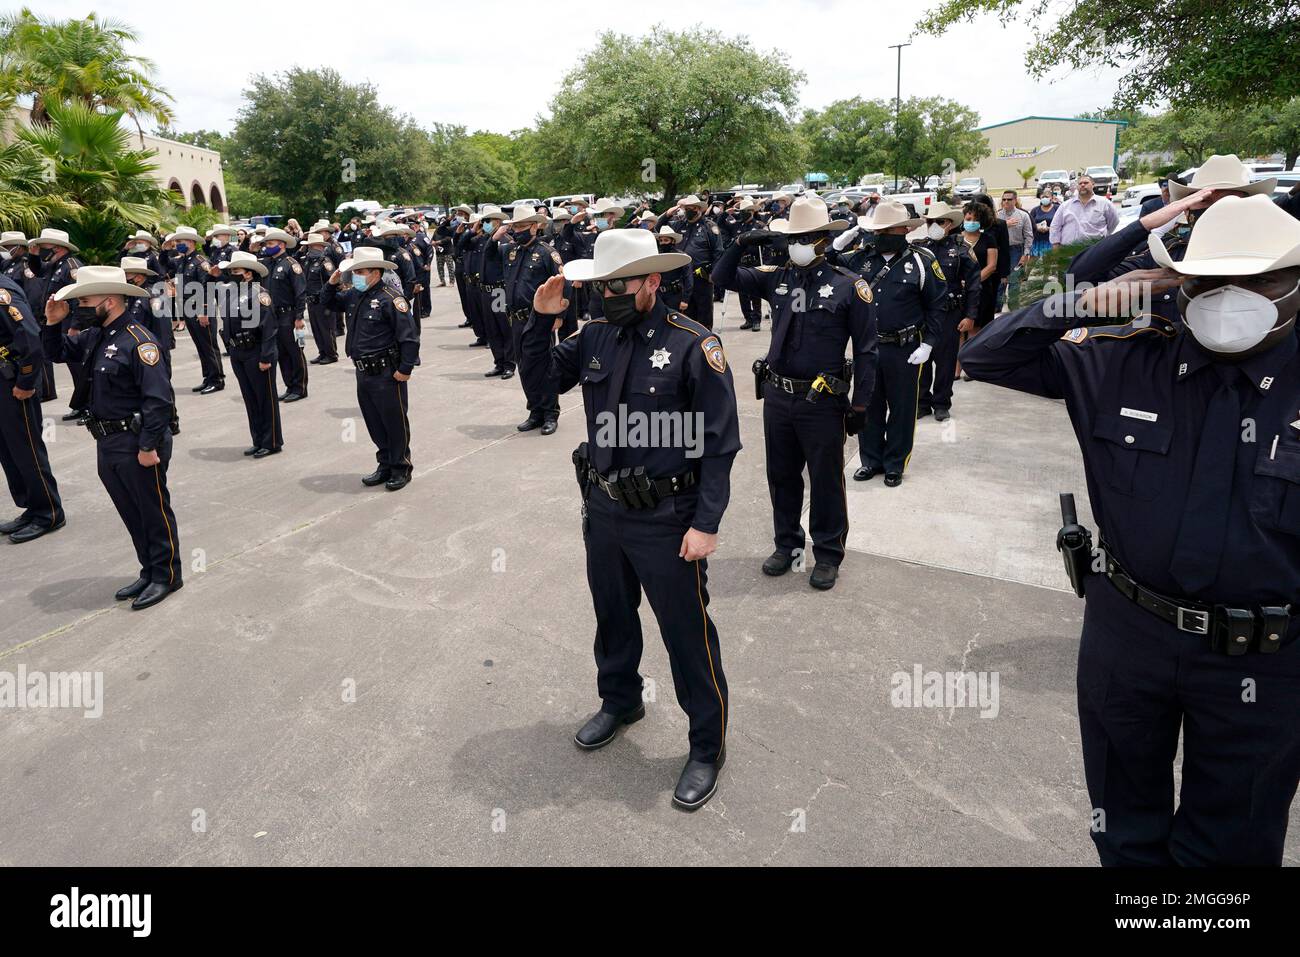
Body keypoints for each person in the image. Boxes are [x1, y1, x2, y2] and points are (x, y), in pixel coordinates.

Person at [960, 194, 1300, 866]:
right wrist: (1084, 301)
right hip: (1128, 636)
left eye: (1254, 280)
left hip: (1266, 656)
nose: (1228, 297)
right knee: (1122, 830)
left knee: (1232, 846)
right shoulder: (1121, 353)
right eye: (1208, 279)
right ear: (1180, 281)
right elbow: (986, 355)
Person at [537, 228, 740, 810]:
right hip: (603, 509)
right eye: (600, 286)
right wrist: (539, 322)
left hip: (667, 517)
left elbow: (719, 444)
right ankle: (620, 700)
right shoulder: (595, 335)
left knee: (686, 634)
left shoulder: (694, 345)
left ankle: (706, 746)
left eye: (618, 283)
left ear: (652, 281)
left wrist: (706, 523)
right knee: (613, 617)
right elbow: (542, 382)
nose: (607, 295)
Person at [713, 194, 877, 589]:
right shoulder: (778, 278)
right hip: (778, 396)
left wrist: (860, 404)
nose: (797, 245)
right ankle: (787, 545)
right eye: (793, 237)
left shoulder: (849, 286)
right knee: (781, 476)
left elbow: (868, 350)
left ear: (823, 240)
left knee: (824, 479)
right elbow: (720, 279)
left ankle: (828, 553)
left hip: (821, 400)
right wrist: (739, 244)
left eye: (805, 237)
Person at [43, 266, 181, 610]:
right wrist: (52, 322)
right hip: (107, 440)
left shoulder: (139, 341)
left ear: (109, 300)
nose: (80, 307)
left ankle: (167, 574)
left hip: (137, 441)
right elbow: (56, 353)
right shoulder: (97, 336)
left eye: (85, 301)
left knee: (152, 509)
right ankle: (149, 570)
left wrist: (148, 446)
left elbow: (159, 400)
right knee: (130, 511)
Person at [832, 200, 945, 486]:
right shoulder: (862, 258)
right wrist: (843, 240)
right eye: (876, 229)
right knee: (869, 404)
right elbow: (830, 263)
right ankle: (870, 460)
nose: (879, 234)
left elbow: (937, 305)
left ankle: (895, 462)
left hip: (905, 347)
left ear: (904, 230)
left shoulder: (921, 259)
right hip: (868, 347)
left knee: (902, 407)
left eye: (886, 229)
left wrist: (928, 343)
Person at [320, 247, 419, 491]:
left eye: (361, 272)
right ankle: (384, 463)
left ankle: (400, 467)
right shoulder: (355, 295)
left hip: (387, 371)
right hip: (363, 371)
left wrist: (405, 369)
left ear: (376, 272)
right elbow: (328, 302)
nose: (356, 276)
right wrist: (332, 283)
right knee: (374, 422)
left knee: (394, 422)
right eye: (355, 272)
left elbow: (409, 337)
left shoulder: (391, 298)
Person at [0, 275, 64, 543]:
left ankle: (48, 511)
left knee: (26, 448)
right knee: (8, 449)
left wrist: (26, 381)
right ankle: (31, 506)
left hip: (13, 383)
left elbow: (29, 337)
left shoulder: (3, 291)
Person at [499, 204, 563, 434]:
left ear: (535, 226)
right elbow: (488, 256)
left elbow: (563, 283)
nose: (518, 230)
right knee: (525, 367)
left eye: (523, 226)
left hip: (541, 319)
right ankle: (535, 410)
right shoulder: (511, 251)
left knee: (544, 366)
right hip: (517, 319)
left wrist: (559, 316)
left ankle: (550, 413)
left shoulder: (547, 252)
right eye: (515, 226)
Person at [915, 203, 981, 421]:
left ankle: (942, 402)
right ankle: (922, 403)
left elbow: (973, 284)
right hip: (922, 314)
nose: (933, 226)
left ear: (949, 224)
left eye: (939, 222)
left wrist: (970, 316)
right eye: (929, 222)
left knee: (945, 362)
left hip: (949, 313)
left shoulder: (961, 248)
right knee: (921, 361)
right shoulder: (918, 248)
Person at [218, 251, 282, 459]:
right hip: (238, 352)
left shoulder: (259, 294)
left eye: (236, 271)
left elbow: (269, 328)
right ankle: (258, 439)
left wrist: (266, 357)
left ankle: (271, 441)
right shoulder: (231, 292)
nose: (232, 274)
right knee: (250, 399)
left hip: (256, 352)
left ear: (248, 274)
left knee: (265, 399)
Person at [29, 229, 84, 415]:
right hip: (59, 321)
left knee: (79, 366)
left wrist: (76, 327)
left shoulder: (71, 265)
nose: (42, 250)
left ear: (58, 248)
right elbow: (37, 270)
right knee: (73, 365)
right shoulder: (54, 265)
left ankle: (84, 405)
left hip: (71, 322)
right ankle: (82, 404)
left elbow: (80, 299)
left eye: (44, 247)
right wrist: (33, 255)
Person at [165, 226, 224, 396]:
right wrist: (164, 251)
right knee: (201, 346)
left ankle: (217, 379)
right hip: (189, 309)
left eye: (180, 241)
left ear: (191, 242)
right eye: (176, 242)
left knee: (209, 346)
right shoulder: (182, 260)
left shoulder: (200, 261)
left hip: (201, 309)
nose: (177, 245)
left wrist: (204, 310)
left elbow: (208, 287)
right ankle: (208, 377)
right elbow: (165, 265)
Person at [656, 195, 721, 329]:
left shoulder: (709, 226)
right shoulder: (679, 225)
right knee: (686, 316)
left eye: (692, 208)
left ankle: (705, 342)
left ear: (698, 209)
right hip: (683, 279)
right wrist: (668, 213)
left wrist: (713, 273)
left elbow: (718, 251)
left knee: (704, 314)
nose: (689, 211)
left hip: (702, 277)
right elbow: (659, 228)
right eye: (687, 209)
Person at [261, 227, 308, 402]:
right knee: (281, 353)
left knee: (294, 352)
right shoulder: (267, 264)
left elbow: (300, 292)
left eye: (270, 243)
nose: (267, 246)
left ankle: (300, 387)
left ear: (281, 244)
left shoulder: (291, 264)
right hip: (273, 316)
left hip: (288, 315)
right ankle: (290, 386)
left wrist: (299, 317)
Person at [300, 234, 339, 365]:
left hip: (323, 301)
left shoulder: (325, 262)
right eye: (309, 246)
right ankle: (322, 352)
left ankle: (331, 354)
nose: (310, 248)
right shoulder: (307, 261)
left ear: (321, 247)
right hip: (311, 301)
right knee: (316, 329)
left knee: (326, 329)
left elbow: (333, 281)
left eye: (313, 246)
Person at [1050, 174, 1118, 248]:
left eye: (1086, 183)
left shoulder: (1105, 204)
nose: (1082, 185)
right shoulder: (1065, 206)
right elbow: (1055, 226)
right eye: (1080, 183)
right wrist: (1055, 246)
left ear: (1093, 185)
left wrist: (1103, 236)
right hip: (1068, 252)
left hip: (1095, 250)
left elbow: (1114, 223)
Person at [997, 191, 1033, 311]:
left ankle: (1013, 310)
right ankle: (996, 308)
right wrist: (1004, 225)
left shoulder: (1023, 215)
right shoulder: (996, 216)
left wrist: (1026, 253)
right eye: (1004, 199)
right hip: (1000, 251)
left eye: (1009, 199)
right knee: (1000, 281)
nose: (1006, 202)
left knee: (1014, 280)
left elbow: (1029, 236)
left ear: (1015, 200)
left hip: (1016, 250)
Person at [1029, 191, 1057, 257]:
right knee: (1033, 262)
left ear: (1052, 198)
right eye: (1043, 197)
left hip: (1051, 241)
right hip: (1037, 240)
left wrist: (1049, 228)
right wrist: (1037, 227)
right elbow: (1029, 224)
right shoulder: (1035, 210)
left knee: (1049, 262)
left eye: (1047, 197)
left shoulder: (1057, 209)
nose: (1044, 198)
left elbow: (1061, 224)